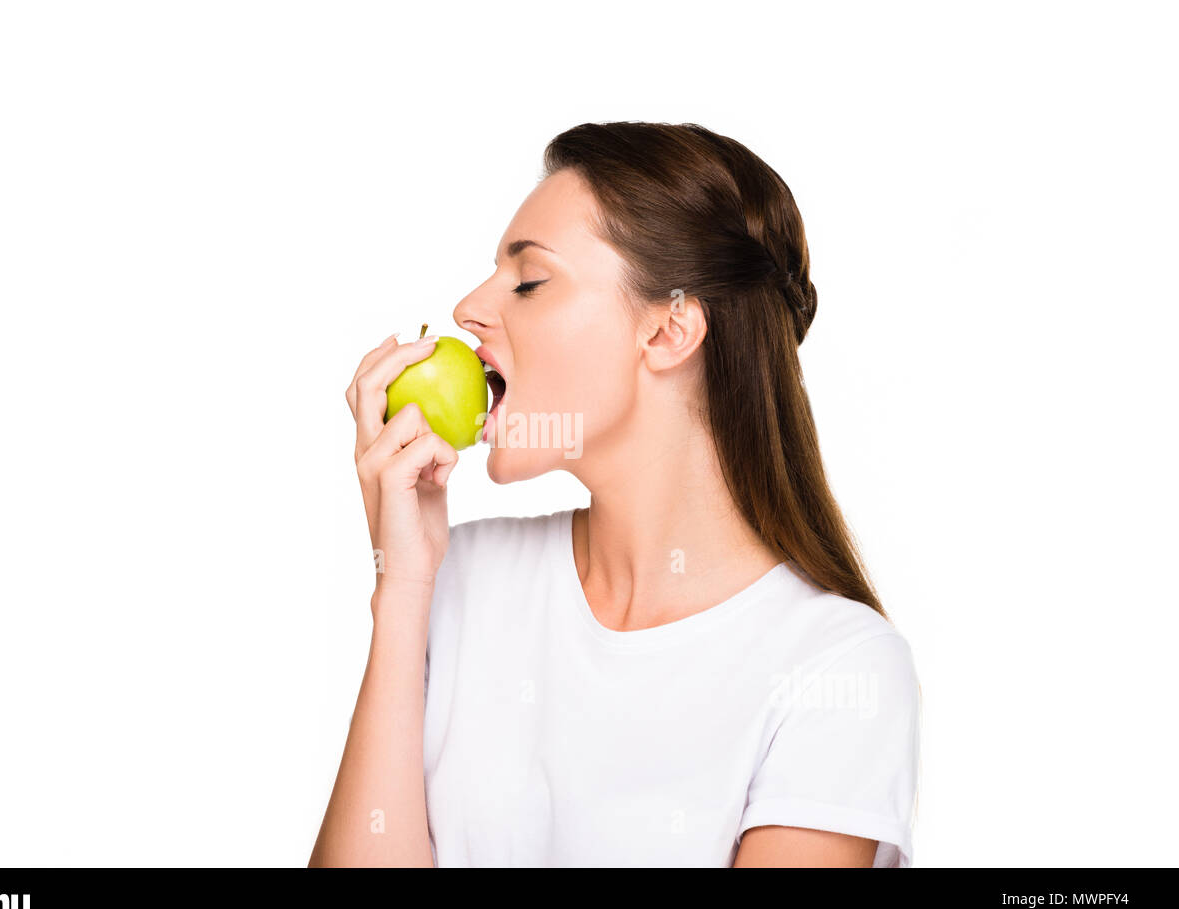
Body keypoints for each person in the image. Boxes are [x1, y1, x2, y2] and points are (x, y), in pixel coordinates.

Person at [310, 122, 921, 867]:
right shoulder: (455, 580)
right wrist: (401, 588)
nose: (469, 308)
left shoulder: (834, 668)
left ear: (668, 329)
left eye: (529, 280)